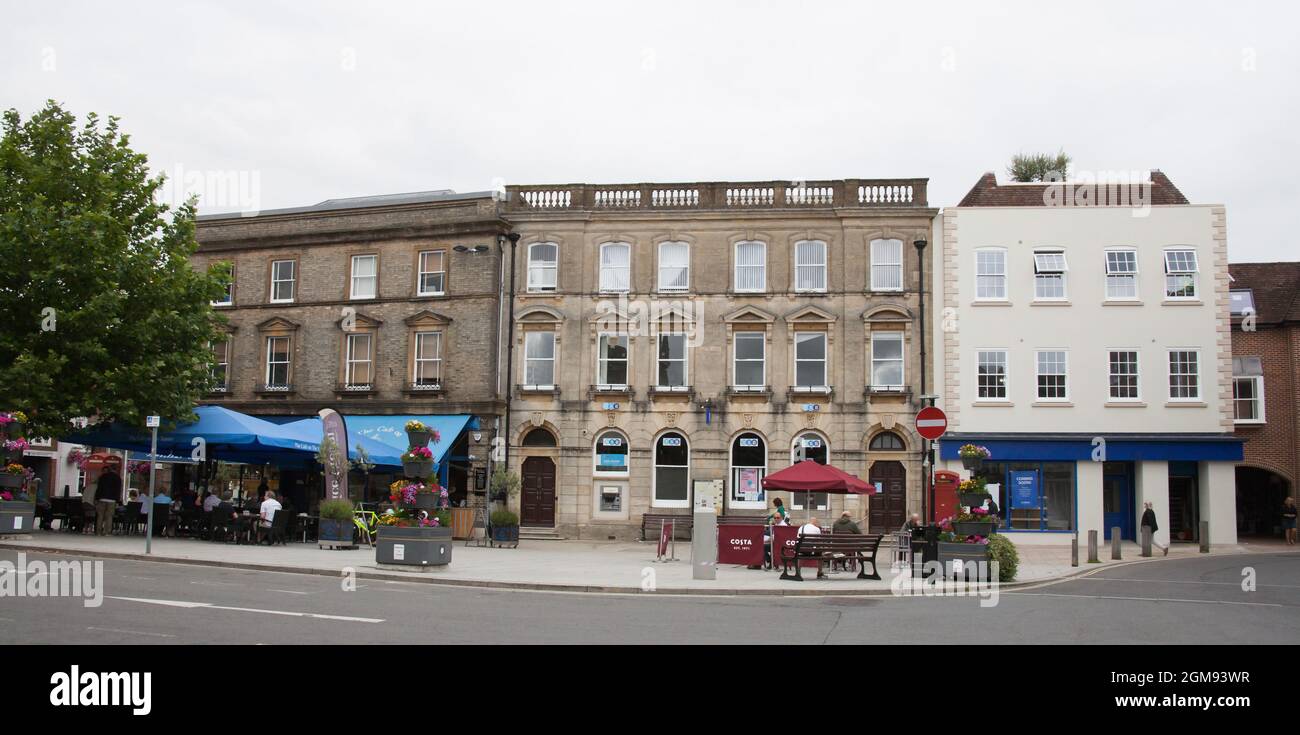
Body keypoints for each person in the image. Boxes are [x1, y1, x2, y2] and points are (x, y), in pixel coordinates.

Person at [93, 468, 122, 536]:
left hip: (102, 498)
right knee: (109, 516)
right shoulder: (117, 478)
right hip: (112, 500)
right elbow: (118, 490)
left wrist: (97, 498)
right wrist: (117, 501)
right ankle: (107, 532)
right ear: (116, 470)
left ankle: (98, 532)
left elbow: (99, 488)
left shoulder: (102, 477)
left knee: (100, 516)